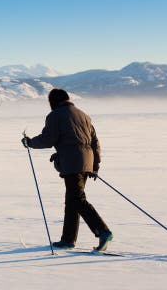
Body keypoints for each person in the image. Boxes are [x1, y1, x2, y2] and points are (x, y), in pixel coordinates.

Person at [21, 89, 113, 251]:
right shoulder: (83, 115)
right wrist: (95, 166)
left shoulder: (55, 116)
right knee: (72, 200)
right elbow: (95, 142)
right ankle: (68, 239)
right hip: (86, 162)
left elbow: (49, 139)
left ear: (53, 102)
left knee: (77, 199)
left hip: (72, 163)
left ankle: (103, 231)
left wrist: (30, 142)